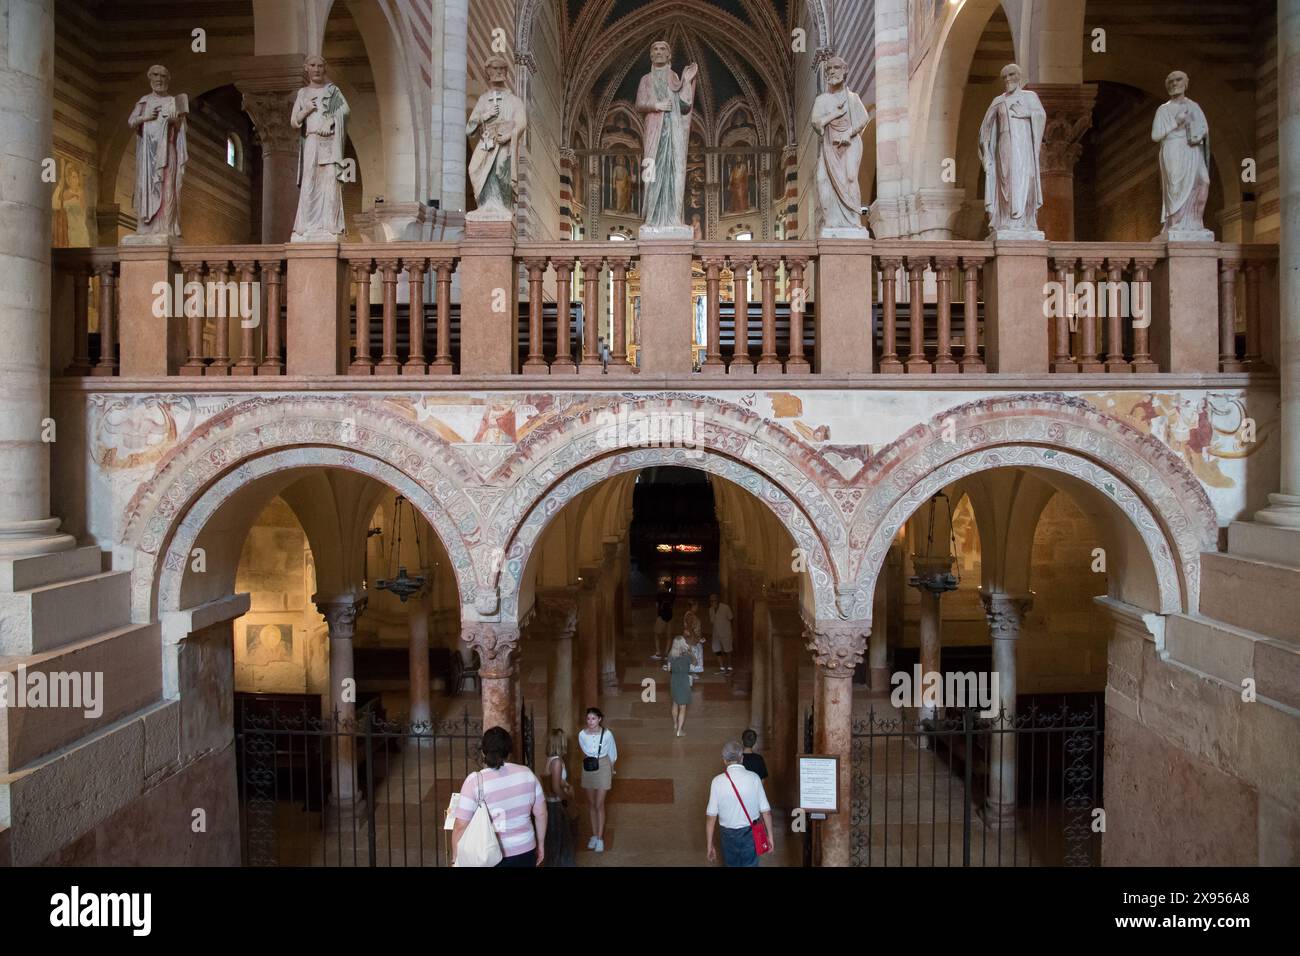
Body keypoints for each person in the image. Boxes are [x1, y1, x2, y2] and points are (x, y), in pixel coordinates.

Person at [451, 726, 546, 867]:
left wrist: (456, 857)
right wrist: (541, 844)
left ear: (483, 752)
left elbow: (460, 826)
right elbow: (541, 813)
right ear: (508, 751)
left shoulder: (475, 781)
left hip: (490, 853)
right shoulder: (527, 774)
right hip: (526, 850)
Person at [977, 63, 1046, 236]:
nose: (1008, 79)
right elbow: (985, 130)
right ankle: (1005, 220)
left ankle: (1026, 221)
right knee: (1006, 181)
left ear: (1019, 76)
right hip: (1005, 147)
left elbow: (1041, 115)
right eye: (1005, 77)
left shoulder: (1030, 98)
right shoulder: (998, 101)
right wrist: (987, 154)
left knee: (1026, 178)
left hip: (1025, 148)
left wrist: (1028, 113)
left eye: (1011, 75)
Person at [636, 40, 698, 227]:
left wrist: (686, 81)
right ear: (651, 55)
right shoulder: (646, 79)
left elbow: (685, 105)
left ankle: (673, 218)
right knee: (652, 173)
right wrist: (656, 106)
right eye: (655, 49)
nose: (659, 52)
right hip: (654, 132)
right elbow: (639, 104)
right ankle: (651, 218)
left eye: (663, 49)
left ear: (669, 55)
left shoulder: (673, 77)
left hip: (672, 132)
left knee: (673, 173)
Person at [291, 56, 350, 241]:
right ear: (306, 68)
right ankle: (306, 225)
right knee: (310, 180)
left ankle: (329, 225)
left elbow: (345, 110)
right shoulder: (303, 93)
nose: (317, 69)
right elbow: (294, 121)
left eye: (320, 66)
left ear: (325, 68)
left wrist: (331, 120)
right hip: (311, 140)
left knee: (330, 180)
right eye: (312, 65)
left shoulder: (332, 91)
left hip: (329, 143)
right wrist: (306, 110)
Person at [128, 65, 188, 239]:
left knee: (168, 186)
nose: (159, 79)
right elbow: (131, 122)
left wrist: (174, 120)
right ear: (149, 78)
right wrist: (146, 117)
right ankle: (147, 227)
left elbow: (181, 127)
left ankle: (166, 227)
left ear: (168, 79)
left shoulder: (172, 101)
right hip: (148, 153)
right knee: (146, 186)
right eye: (155, 75)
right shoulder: (144, 101)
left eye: (163, 76)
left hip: (167, 150)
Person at [1151, 70, 1212, 238]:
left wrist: (1198, 133)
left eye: (1178, 80)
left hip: (1192, 149)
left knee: (1203, 182)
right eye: (1170, 82)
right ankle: (1176, 223)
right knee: (1175, 186)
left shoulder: (1194, 106)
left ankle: (1195, 223)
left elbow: (1205, 128)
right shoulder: (1163, 110)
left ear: (1185, 83)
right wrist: (1175, 122)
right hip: (1172, 147)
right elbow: (1156, 135)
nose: (1174, 84)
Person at [466, 54, 527, 216]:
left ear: (506, 72)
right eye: (495, 69)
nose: (499, 72)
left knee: (500, 170)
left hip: (504, 142)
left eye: (502, 69)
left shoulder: (514, 100)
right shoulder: (483, 100)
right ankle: (484, 206)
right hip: (487, 141)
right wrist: (484, 116)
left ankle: (502, 207)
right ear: (488, 73)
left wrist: (509, 136)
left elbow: (522, 122)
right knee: (474, 169)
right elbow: (469, 129)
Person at [705, 740, 774, 867]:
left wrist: (710, 845)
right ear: (742, 758)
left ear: (724, 760)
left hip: (728, 834)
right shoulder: (754, 778)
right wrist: (770, 837)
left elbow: (711, 817)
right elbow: (766, 812)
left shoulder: (717, 782)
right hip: (750, 832)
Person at [577, 707, 617, 852]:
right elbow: (584, 750)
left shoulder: (607, 734)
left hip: (604, 766)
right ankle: (594, 835)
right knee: (592, 803)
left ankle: (600, 838)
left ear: (599, 719)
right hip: (589, 768)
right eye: (588, 719)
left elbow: (612, 752)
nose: (590, 721)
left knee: (599, 804)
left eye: (593, 718)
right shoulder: (582, 734)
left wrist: (611, 770)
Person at [543, 728, 576, 867]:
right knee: (558, 844)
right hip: (555, 805)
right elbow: (556, 788)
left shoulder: (552, 760)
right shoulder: (556, 762)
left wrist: (565, 784)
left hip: (553, 805)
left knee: (562, 841)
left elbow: (556, 780)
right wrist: (568, 798)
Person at [666, 636, 693, 736]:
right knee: (683, 707)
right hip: (684, 682)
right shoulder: (687, 656)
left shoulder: (671, 655)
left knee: (674, 703)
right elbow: (693, 664)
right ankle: (679, 730)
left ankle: (675, 724)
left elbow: (669, 669)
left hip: (674, 681)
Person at [708, 593, 734, 672]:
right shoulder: (711, 609)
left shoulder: (725, 607)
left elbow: (731, 618)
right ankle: (721, 667)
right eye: (711, 601)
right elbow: (712, 621)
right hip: (716, 633)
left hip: (726, 633)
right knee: (717, 650)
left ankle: (729, 666)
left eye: (714, 600)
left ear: (718, 600)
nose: (713, 602)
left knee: (728, 650)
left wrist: (731, 631)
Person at [652, 581, 674, 659]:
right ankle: (666, 654)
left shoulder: (659, 595)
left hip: (661, 617)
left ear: (664, 586)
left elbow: (657, 606)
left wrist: (657, 615)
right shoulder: (672, 595)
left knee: (656, 634)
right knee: (669, 636)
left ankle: (658, 653)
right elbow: (672, 606)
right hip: (670, 617)